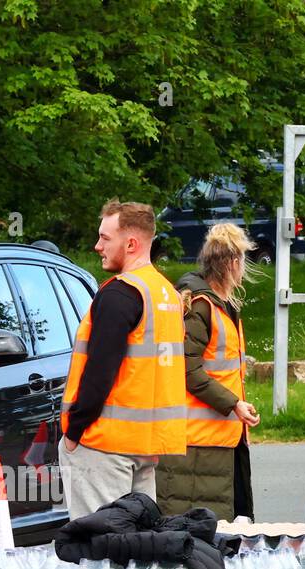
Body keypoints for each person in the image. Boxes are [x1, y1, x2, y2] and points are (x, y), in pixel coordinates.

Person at [58, 199, 187, 520]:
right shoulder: (167, 294)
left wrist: (74, 432)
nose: (97, 245)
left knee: (98, 551)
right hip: (146, 446)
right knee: (137, 552)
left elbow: (100, 371)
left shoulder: (119, 294)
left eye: (105, 238)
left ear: (130, 243)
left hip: (103, 445)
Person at [156, 223, 261, 520]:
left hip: (218, 438)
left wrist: (236, 408)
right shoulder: (200, 305)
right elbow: (187, 370)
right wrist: (233, 404)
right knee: (202, 531)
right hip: (197, 443)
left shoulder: (217, 304)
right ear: (232, 263)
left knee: (226, 527)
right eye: (242, 259)